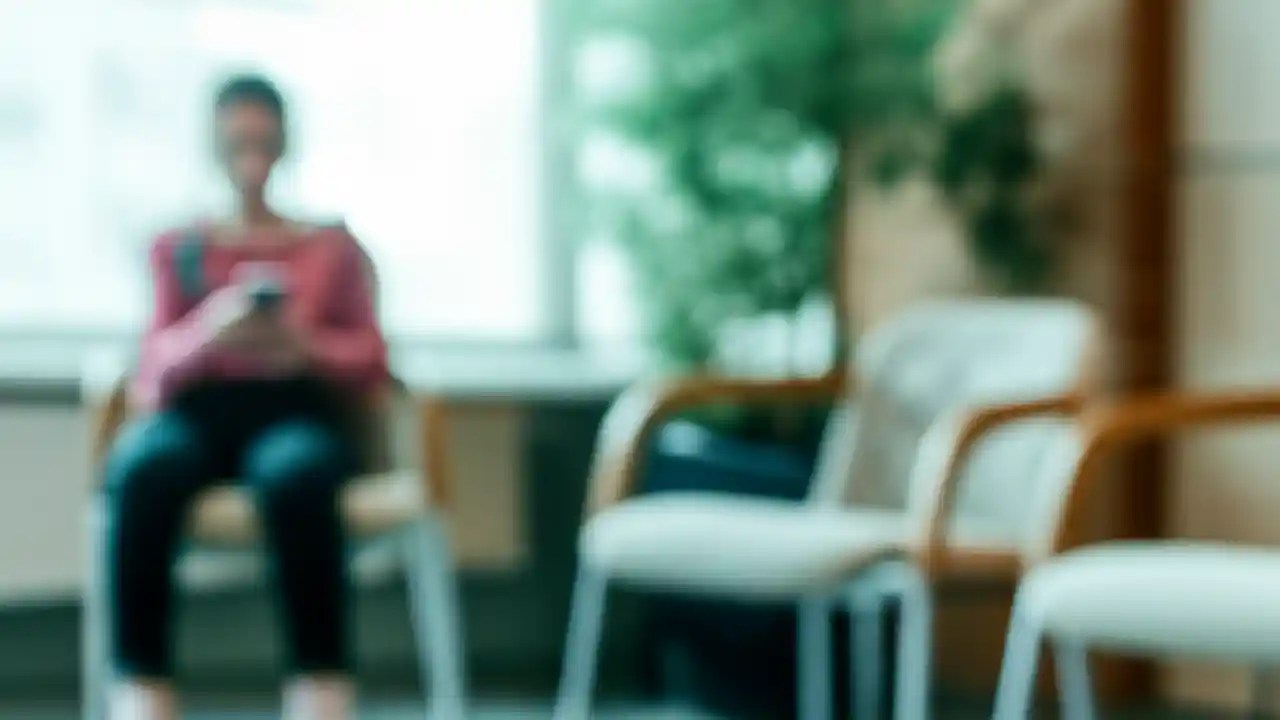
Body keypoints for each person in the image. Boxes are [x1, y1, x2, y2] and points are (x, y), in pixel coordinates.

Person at [103, 74, 388, 720]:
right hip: (198, 411)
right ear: (215, 144)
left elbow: (372, 358)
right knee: (145, 470)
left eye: (264, 138)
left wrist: (305, 344)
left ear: (285, 142)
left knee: (298, 477)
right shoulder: (179, 248)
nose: (251, 153)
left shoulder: (330, 248)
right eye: (237, 139)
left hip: (296, 408)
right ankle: (142, 689)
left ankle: (320, 687)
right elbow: (152, 366)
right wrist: (211, 329)